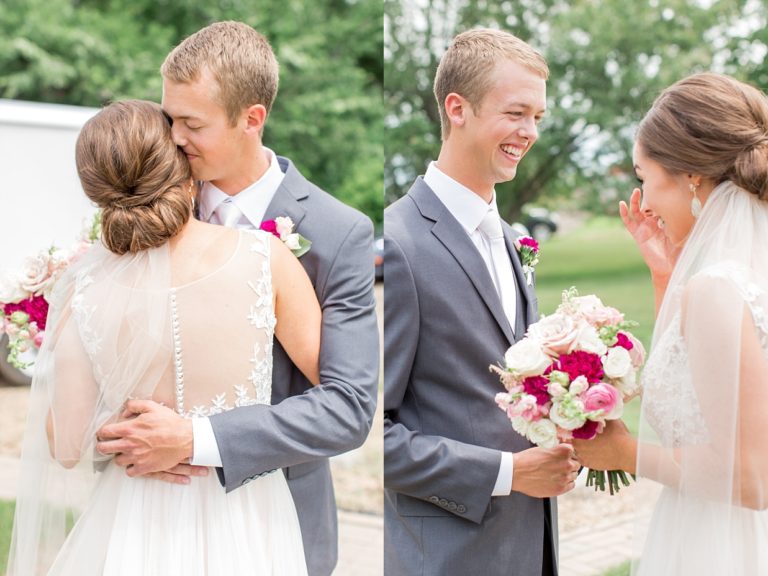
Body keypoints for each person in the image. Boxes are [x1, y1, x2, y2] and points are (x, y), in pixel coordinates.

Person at [92, 22, 379, 576]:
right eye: (169, 117)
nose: (173, 138)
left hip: (277, 525)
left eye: (191, 123)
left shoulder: (340, 232)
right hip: (148, 523)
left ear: (252, 119)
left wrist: (193, 439)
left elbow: (348, 409)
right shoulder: (146, 208)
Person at [9, 99, 319, 575]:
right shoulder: (266, 258)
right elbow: (336, 392)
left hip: (131, 517)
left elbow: (67, 448)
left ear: (96, 191)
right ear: (183, 163)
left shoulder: (84, 290)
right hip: (244, 515)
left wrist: (135, 430)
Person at [384, 28, 580, 576]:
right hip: (448, 557)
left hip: (531, 546)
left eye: (538, 118)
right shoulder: (399, 243)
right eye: (517, 113)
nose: (530, 132)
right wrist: (506, 473)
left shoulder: (514, 238)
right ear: (458, 108)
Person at [572, 72, 768, 575]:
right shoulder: (735, 280)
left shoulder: (716, 289)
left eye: (644, 177)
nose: (647, 200)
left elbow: (751, 479)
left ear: (690, 177)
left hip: (720, 543)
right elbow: (703, 388)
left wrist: (623, 452)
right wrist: (665, 274)